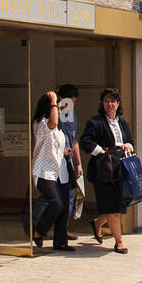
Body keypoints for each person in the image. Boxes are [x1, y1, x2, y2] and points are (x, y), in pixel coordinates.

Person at [81, 89, 135, 253]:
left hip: (121, 168)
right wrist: (101, 151)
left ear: (118, 104)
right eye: (106, 101)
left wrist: (128, 146)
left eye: (113, 101)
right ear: (102, 104)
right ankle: (119, 242)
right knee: (113, 208)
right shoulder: (95, 122)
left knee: (118, 205)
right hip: (103, 170)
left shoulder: (123, 122)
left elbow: (130, 141)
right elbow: (85, 141)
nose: (109, 104)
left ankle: (97, 223)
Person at [30, 90, 74, 251]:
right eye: (57, 108)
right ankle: (38, 231)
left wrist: (64, 152)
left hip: (59, 171)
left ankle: (61, 242)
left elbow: (52, 146)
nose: (60, 111)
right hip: (44, 172)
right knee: (55, 202)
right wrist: (54, 99)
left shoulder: (58, 129)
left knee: (63, 207)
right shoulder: (41, 123)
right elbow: (53, 123)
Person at [56, 84, 83, 240]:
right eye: (68, 102)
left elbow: (74, 141)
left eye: (73, 102)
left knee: (70, 194)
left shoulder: (72, 116)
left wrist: (78, 163)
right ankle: (38, 224)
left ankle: (63, 228)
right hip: (56, 159)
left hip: (69, 160)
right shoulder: (53, 115)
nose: (69, 105)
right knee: (54, 195)